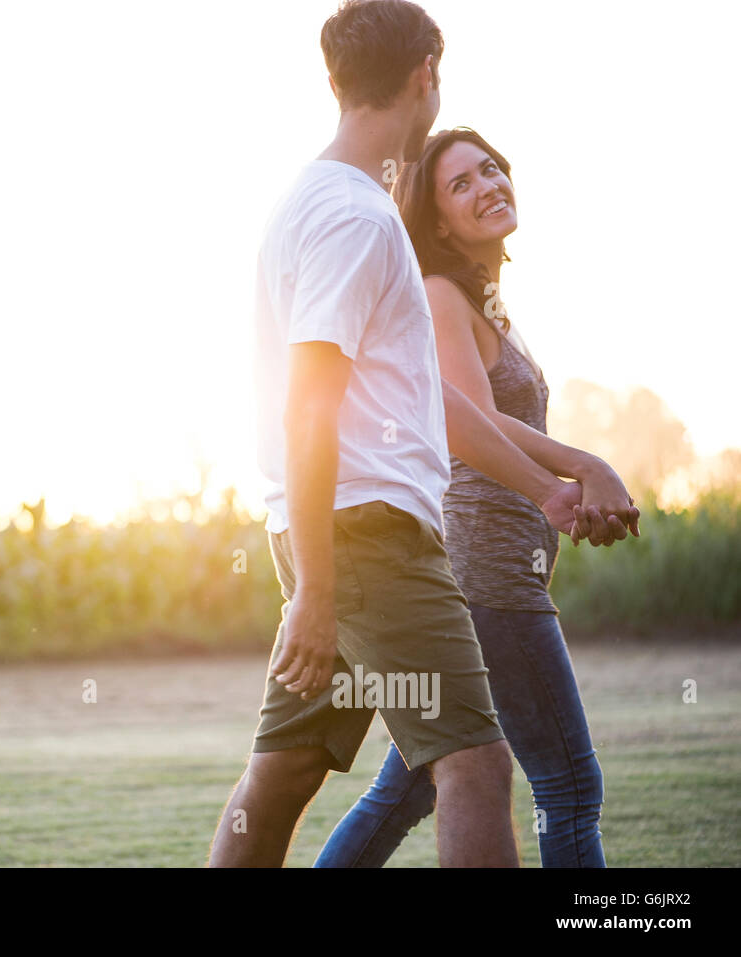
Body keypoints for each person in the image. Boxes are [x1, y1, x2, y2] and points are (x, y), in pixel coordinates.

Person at [207, 0, 635, 868]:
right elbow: (309, 404)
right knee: (476, 766)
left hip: (338, 539)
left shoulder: (320, 203)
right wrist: (319, 592)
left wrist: (552, 485)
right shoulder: (354, 219)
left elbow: (419, 403)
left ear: (338, 81)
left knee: (284, 775)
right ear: (425, 75)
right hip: (366, 538)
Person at [314, 128, 632, 868]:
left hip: (491, 572)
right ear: (436, 220)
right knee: (569, 784)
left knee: (411, 789)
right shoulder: (440, 295)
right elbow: (470, 419)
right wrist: (582, 468)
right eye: (460, 183)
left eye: (491, 168)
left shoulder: (489, 305)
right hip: (487, 575)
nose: (487, 183)